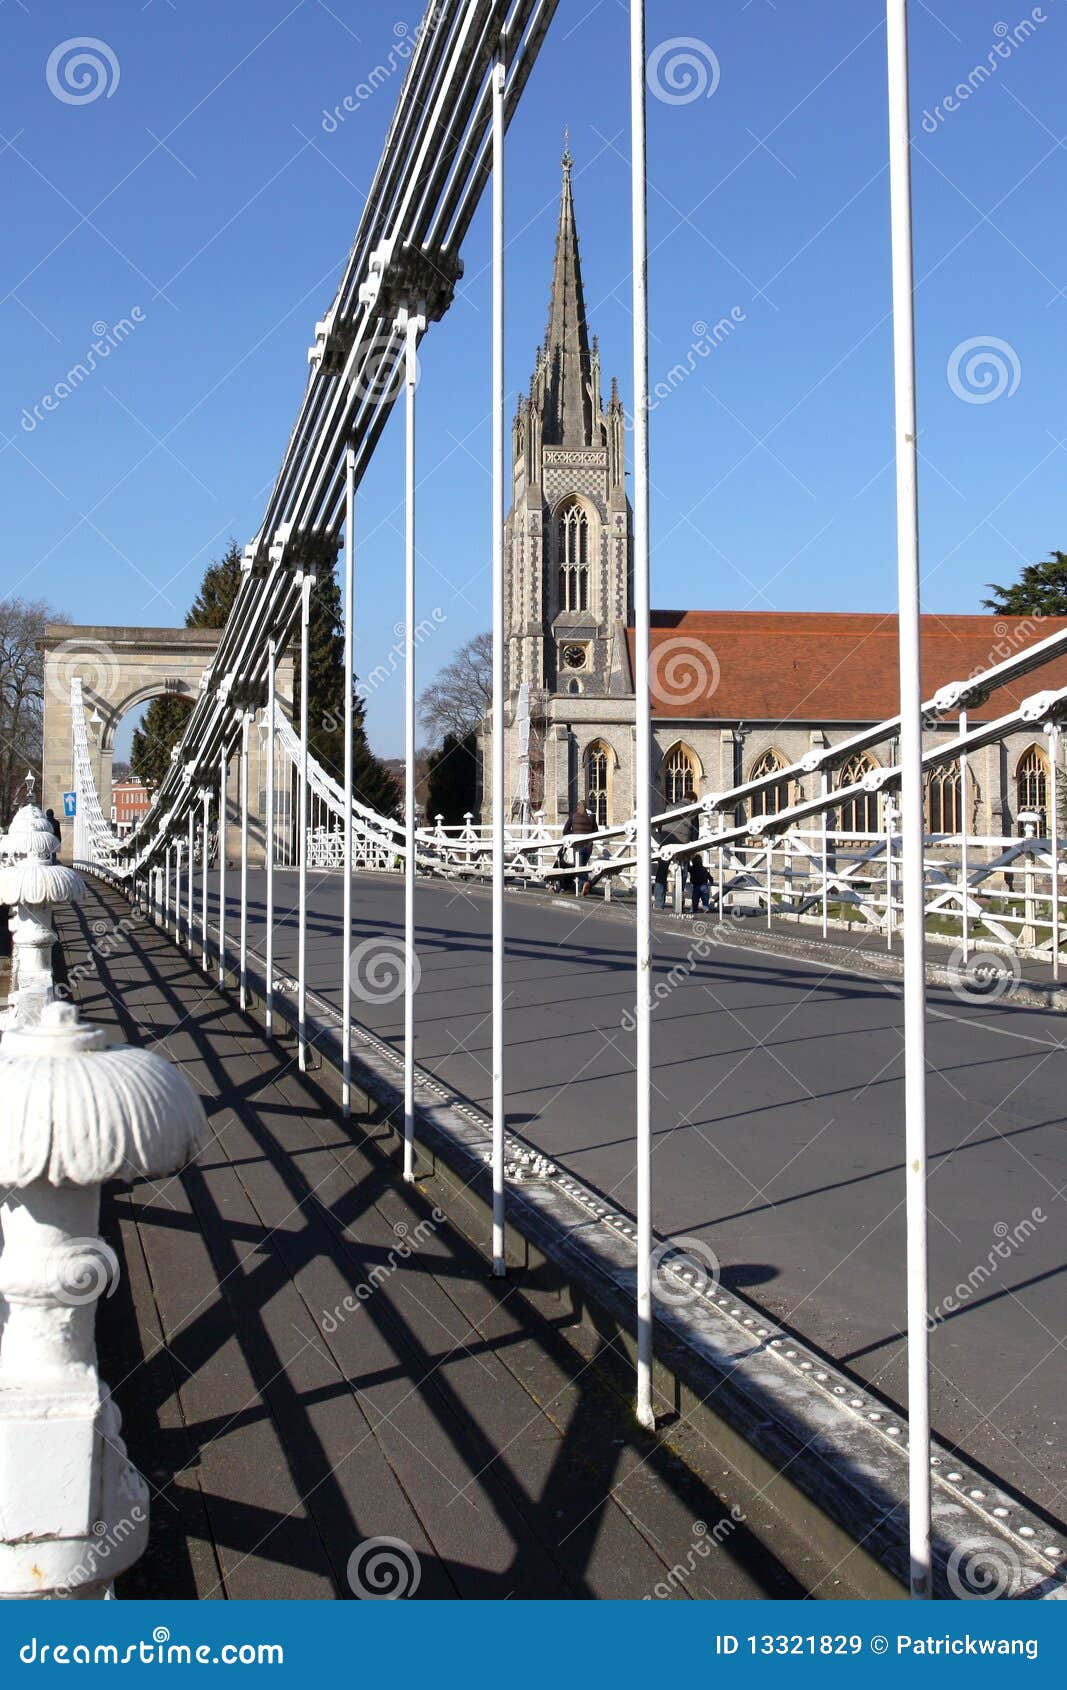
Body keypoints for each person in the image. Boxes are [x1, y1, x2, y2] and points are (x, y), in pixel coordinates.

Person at [562, 798, 598, 894]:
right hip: (589, 846)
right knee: (583, 866)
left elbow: (565, 831)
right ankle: (581, 888)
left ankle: (585, 883)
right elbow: (595, 831)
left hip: (578, 845)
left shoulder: (573, 816)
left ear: (578, 806)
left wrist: (574, 833)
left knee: (580, 866)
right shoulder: (591, 817)